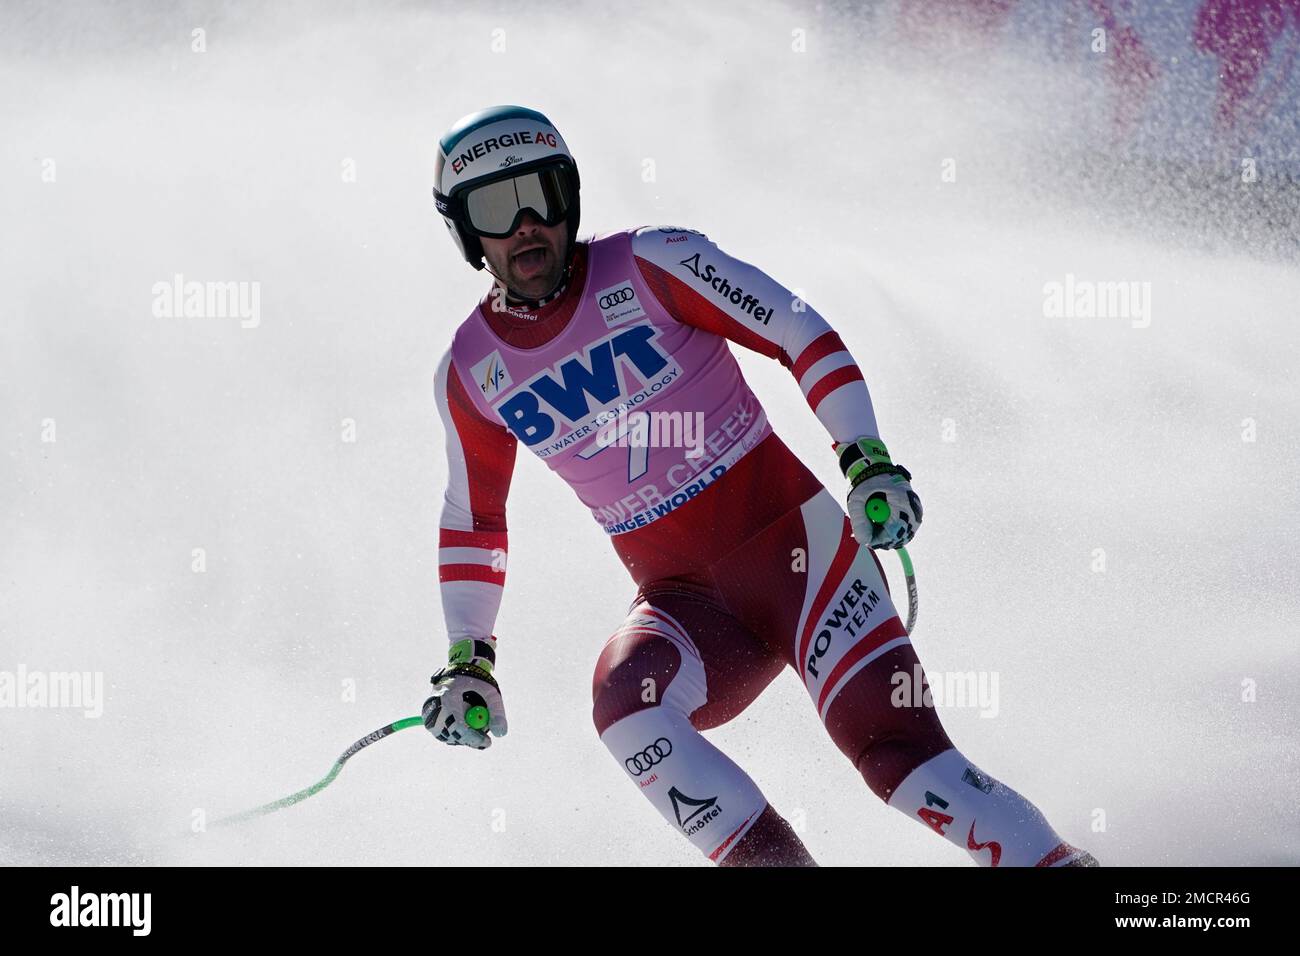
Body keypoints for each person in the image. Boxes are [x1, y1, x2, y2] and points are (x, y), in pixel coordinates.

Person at [421, 104, 1098, 867]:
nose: (526, 226)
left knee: (901, 762)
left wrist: (865, 457)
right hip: (687, 606)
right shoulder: (471, 372)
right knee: (625, 711)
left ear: (569, 195)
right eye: (495, 209)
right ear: (465, 233)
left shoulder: (653, 261)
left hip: (804, 557)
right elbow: (474, 520)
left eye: (541, 195)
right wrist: (468, 660)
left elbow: (797, 330)